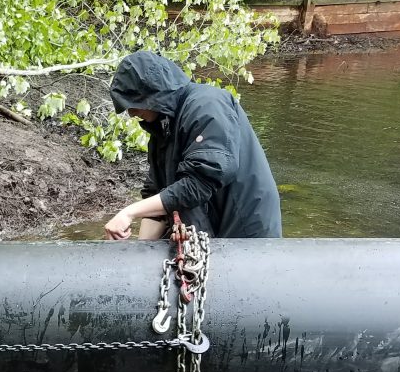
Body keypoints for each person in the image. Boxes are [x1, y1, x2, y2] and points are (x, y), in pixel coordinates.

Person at [103, 51, 282, 242]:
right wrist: (140, 250)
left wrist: (129, 212)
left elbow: (199, 183)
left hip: (246, 231)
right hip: (210, 231)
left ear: (151, 94)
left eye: (132, 104)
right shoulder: (163, 125)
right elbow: (157, 193)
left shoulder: (207, 105)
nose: (131, 113)